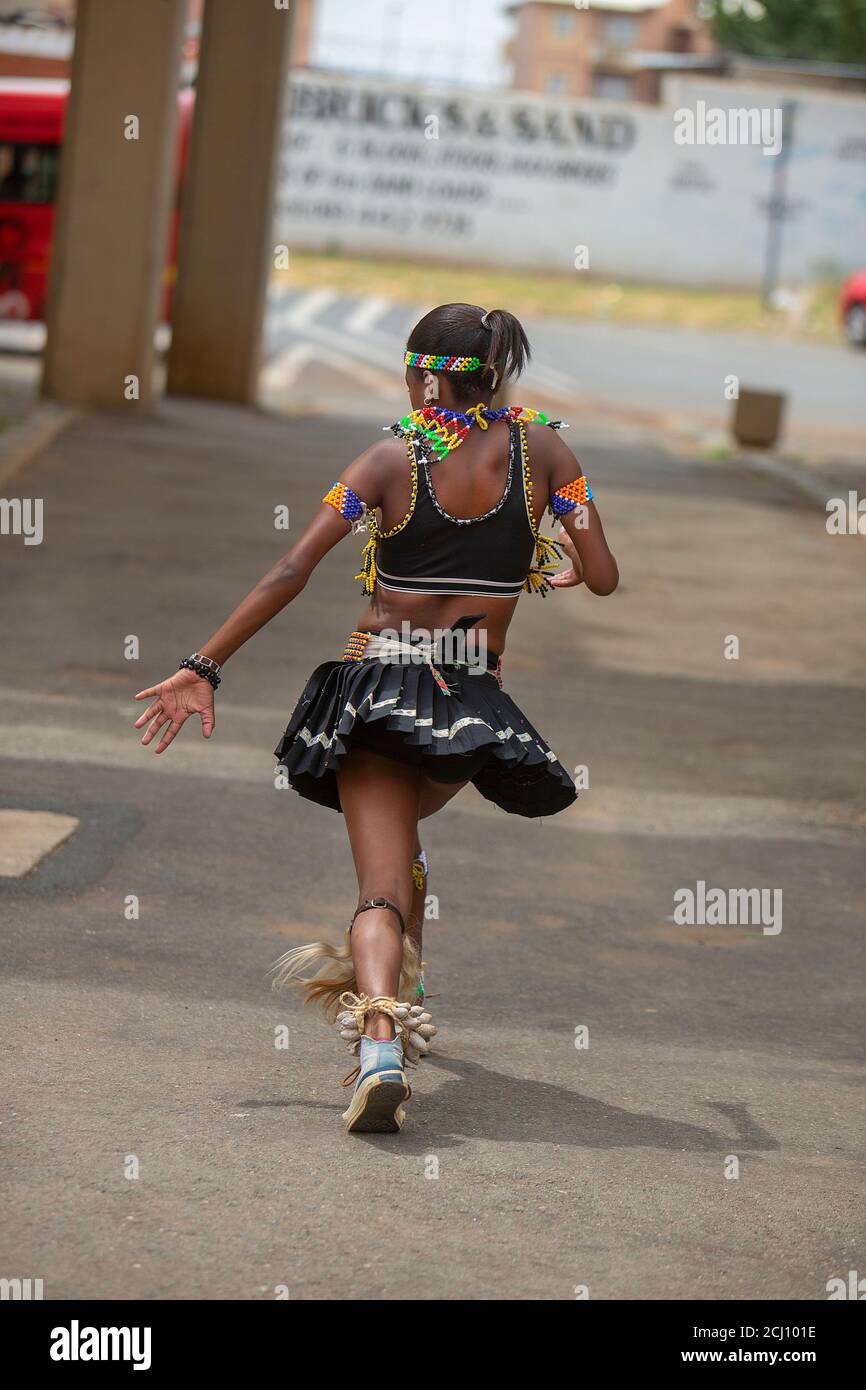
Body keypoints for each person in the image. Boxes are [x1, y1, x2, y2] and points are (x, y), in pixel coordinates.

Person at [134, 302, 619, 1134]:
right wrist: (568, 552)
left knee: (382, 888)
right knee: (409, 848)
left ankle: (382, 1042)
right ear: (494, 376)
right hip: (472, 704)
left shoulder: (390, 458)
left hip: (379, 687)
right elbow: (604, 575)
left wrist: (203, 665)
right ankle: (409, 992)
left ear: (417, 375)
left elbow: (294, 566)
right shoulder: (547, 451)